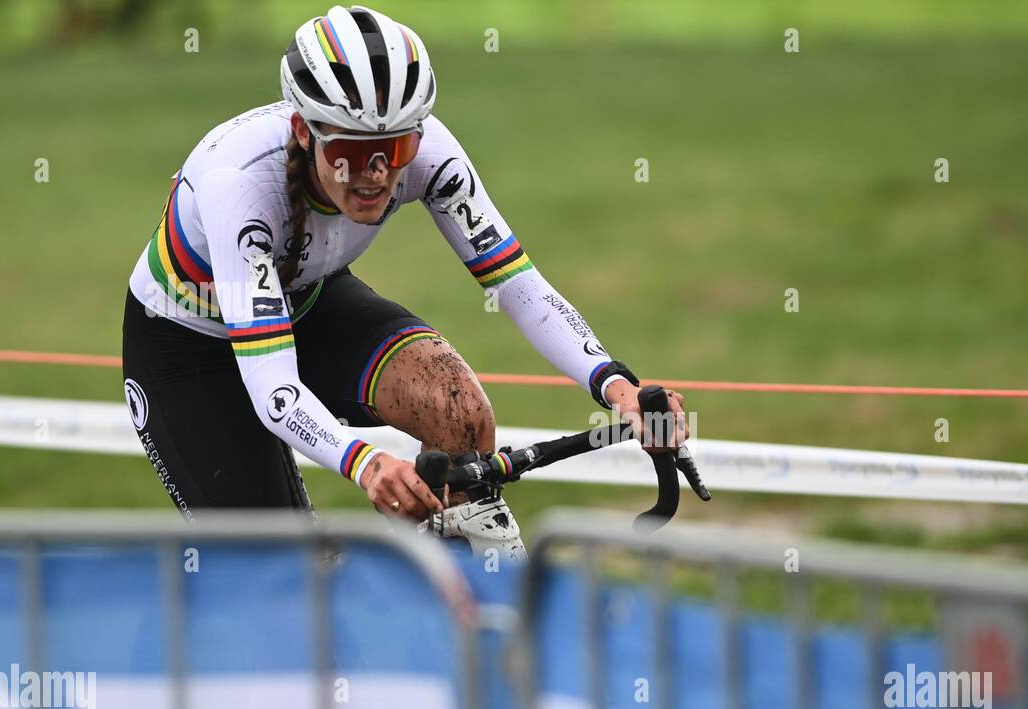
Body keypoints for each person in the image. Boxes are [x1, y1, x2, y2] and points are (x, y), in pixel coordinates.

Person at [121, 4, 685, 558]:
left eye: (393, 151)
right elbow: (273, 387)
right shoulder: (239, 186)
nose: (374, 175)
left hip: (307, 301)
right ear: (303, 131)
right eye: (349, 154)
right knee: (280, 581)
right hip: (188, 348)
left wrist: (618, 387)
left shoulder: (429, 152)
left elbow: (518, 285)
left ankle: (471, 613)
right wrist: (366, 463)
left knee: (457, 410)